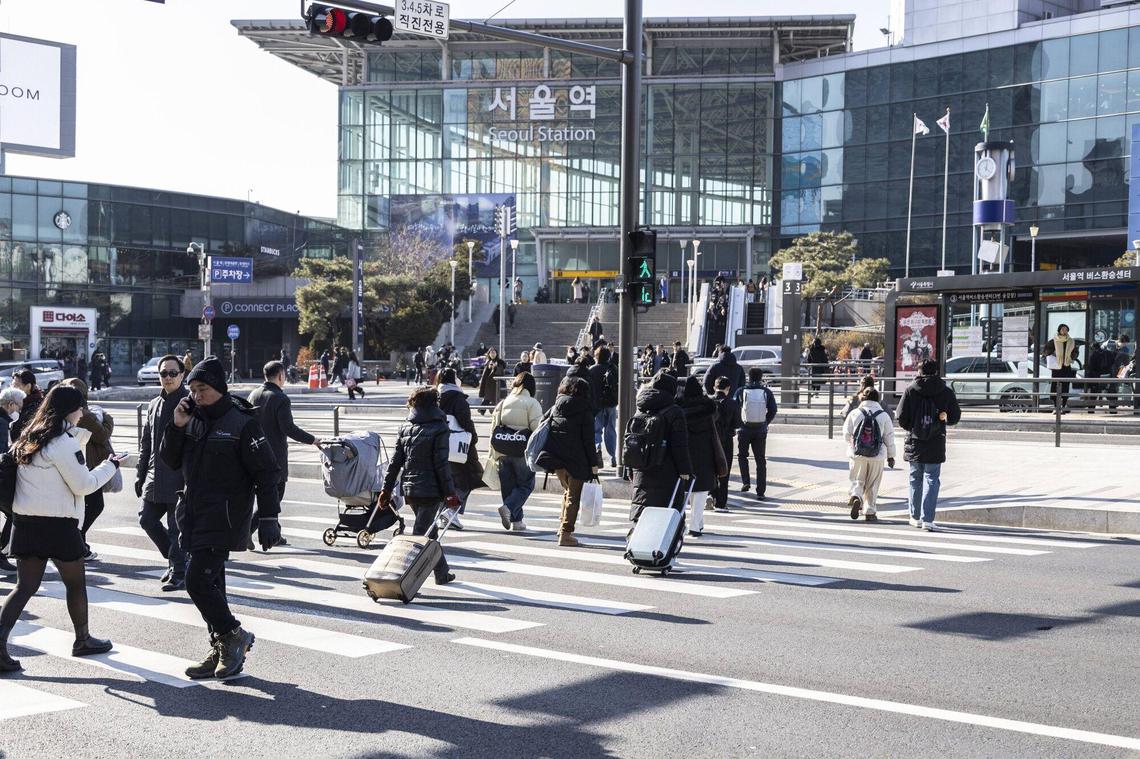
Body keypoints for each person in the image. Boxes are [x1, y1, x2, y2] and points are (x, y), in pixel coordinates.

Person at [160, 356, 282, 679]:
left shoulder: (242, 422)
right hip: (193, 513)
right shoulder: (191, 418)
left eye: (202, 389)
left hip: (225, 515)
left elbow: (267, 472)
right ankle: (221, 648)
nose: (197, 396)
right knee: (214, 585)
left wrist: (269, 517)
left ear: (218, 388)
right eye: (193, 390)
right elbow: (170, 459)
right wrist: (176, 425)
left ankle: (234, 635)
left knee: (196, 580)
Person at [0, 385, 123, 673]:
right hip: (58, 525)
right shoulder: (63, 442)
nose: (83, 412)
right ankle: (82, 639)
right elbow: (83, 485)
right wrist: (110, 466)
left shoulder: (29, 436)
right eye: (80, 408)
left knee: (24, 587)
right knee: (75, 583)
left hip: (27, 523)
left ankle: (0, 643)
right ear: (70, 410)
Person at [379, 386, 459, 585]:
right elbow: (441, 464)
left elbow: (395, 463)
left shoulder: (406, 427)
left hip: (410, 489)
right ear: (435, 404)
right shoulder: (440, 427)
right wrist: (450, 493)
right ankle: (401, 578)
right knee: (420, 535)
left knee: (428, 531)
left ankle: (442, 573)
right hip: (431, 490)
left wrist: (386, 490)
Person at [249, 360, 319, 546]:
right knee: (273, 499)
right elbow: (288, 428)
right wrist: (313, 440)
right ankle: (247, 530)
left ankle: (275, 534)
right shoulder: (280, 398)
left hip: (253, 455)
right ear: (281, 375)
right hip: (274, 458)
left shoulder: (253, 395)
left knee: (265, 496)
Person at [135, 355, 189, 592]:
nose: (167, 377)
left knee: (176, 525)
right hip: (154, 476)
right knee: (147, 520)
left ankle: (179, 571)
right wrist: (140, 472)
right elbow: (146, 442)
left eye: (172, 373)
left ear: (182, 375)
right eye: (163, 373)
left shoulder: (189, 402)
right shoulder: (154, 403)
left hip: (180, 476)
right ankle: (176, 561)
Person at [896, 359, 962, 532]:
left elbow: (901, 417)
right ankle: (928, 520)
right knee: (932, 478)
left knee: (914, 478)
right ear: (936, 372)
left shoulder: (911, 390)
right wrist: (942, 420)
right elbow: (954, 417)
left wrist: (913, 427)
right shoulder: (945, 391)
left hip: (914, 441)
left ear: (919, 371)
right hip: (935, 440)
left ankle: (915, 517)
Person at [534, 376, 600, 546]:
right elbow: (588, 441)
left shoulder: (557, 406)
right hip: (577, 461)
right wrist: (594, 464)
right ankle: (565, 533)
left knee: (567, 493)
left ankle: (561, 528)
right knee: (573, 497)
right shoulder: (585, 410)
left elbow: (543, 423)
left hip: (557, 460)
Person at [59, 379, 114, 561]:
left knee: (85, 506)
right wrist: (107, 418)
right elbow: (102, 434)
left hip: (81, 464)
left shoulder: (62, 413)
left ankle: (79, 542)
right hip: (88, 465)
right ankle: (78, 542)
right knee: (94, 505)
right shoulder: (85, 415)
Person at [628, 371, 692, 520]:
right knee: (666, 513)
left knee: (643, 509)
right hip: (667, 469)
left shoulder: (641, 408)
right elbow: (679, 444)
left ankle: (638, 537)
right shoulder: (674, 411)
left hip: (641, 467)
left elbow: (632, 440)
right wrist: (685, 469)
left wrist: (630, 468)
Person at [489, 373, 543, 532]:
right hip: (522, 450)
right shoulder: (532, 403)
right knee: (526, 484)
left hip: (503, 449)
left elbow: (494, 426)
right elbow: (537, 429)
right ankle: (509, 508)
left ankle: (517, 521)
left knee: (509, 486)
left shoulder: (503, 402)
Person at [843, 386, 897, 523]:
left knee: (857, 479)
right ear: (878, 399)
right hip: (877, 456)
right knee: (873, 483)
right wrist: (891, 456)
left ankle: (856, 496)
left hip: (858, 455)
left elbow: (846, 434)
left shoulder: (855, 413)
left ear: (863, 398)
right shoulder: (883, 415)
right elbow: (889, 437)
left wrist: (853, 445)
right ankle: (870, 511)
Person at [678, 376, 721, 537]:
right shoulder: (709, 408)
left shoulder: (679, 409)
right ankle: (696, 525)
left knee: (683, 492)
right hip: (705, 454)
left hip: (685, 453)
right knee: (701, 491)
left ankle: (681, 525)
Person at [437, 368, 478, 531]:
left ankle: (442, 514)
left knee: (444, 482)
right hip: (457, 446)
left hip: (438, 445)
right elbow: (465, 421)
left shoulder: (435, 396)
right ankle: (450, 511)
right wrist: (473, 438)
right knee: (467, 480)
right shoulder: (458, 398)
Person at [734, 367, 777, 500]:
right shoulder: (766, 391)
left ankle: (746, 481)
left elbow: (735, 408)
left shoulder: (741, 391)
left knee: (742, 456)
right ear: (761, 377)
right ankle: (761, 490)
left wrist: (739, 423)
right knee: (760, 460)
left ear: (749, 377)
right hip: (760, 430)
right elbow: (773, 410)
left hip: (744, 429)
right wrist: (765, 422)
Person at [0, 387, 26, 574]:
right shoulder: (2, 422)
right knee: (13, 513)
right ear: (10, 405)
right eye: (18, 406)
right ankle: (2, 553)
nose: (18, 410)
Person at [711, 376, 740, 513]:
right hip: (727, 441)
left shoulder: (708, 401)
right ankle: (721, 503)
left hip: (710, 440)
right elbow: (737, 424)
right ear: (728, 389)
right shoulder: (733, 404)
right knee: (724, 471)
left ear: (714, 387)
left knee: (711, 469)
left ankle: (711, 496)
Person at [588, 347, 619, 468]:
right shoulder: (613, 368)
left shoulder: (592, 370)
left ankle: (597, 450)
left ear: (596, 356)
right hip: (611, 404)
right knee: (610, 429)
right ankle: (613, 457)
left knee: (597, 430)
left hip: (597, 406)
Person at [1048, 324, 1079, 411]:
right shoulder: (1053, 340)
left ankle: (1064, 406)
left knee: (1065, 386)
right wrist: (1054, 354)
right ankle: (1055, 407)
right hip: (1057, 367)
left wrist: (1072, 357)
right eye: (1063, 329)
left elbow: (1075, 352)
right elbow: (1046, 350)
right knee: (1055, 386)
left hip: (1066, 366)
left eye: (1066, 329)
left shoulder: (1071, 341)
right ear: (1059, 330)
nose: (1064, 331)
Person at [8, 369, 44, 442]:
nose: (12, 389)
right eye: (12, 385)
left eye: (16, 386)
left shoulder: (37, 407)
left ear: (28, 386)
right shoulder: (16, 404)